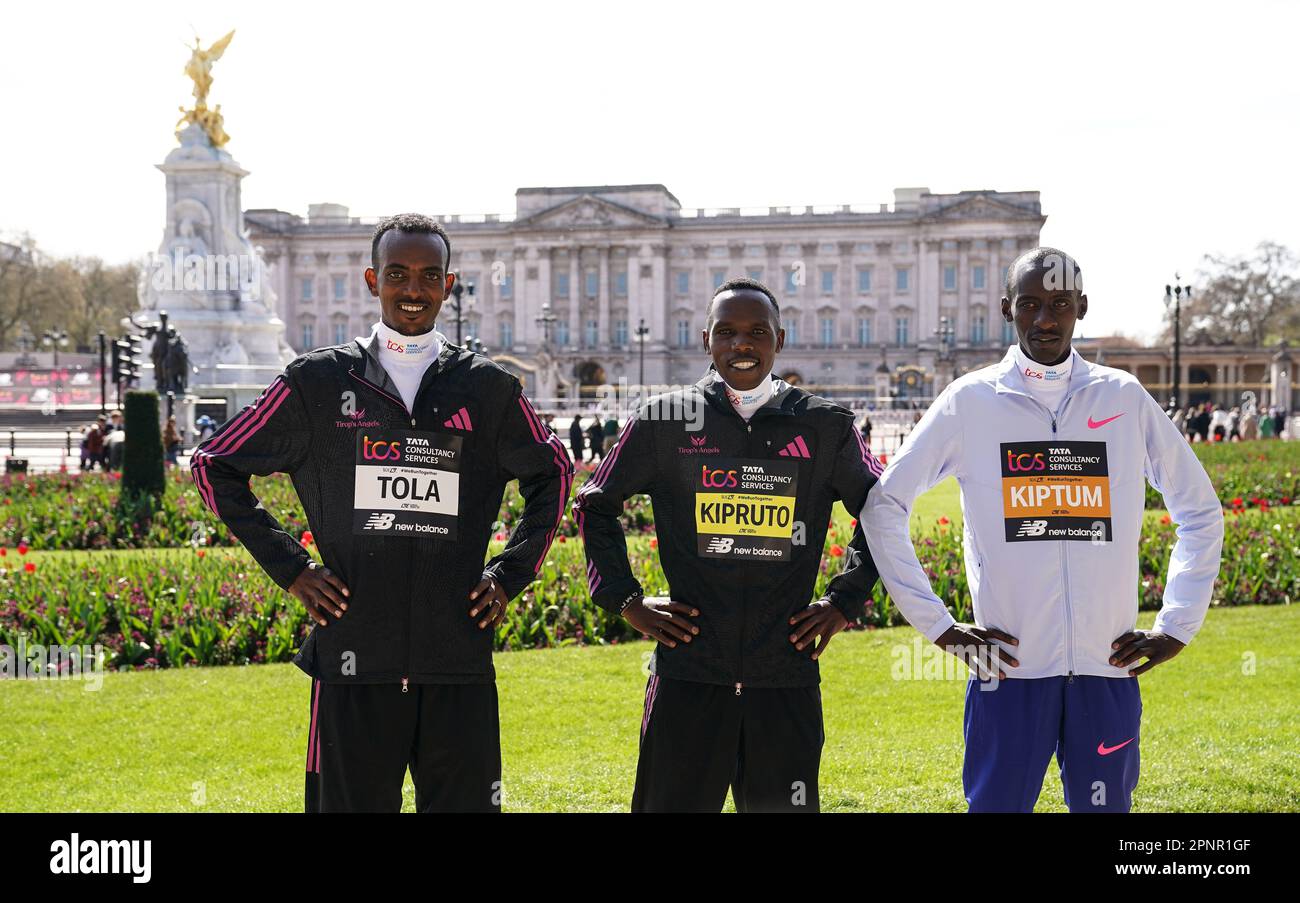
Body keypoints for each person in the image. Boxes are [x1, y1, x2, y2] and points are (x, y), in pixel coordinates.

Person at [192, 213, 572, 812]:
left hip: (456, 664)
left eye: (429, 276)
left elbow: (555, 473)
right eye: (398, 274)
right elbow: (213, 462)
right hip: (352, 665)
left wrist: (508, 576)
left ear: (450, 286)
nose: (413, 290)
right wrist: (292, 569)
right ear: (373, 281)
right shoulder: (317, 381)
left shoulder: (488, 390)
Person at [863, 247, 1224, 813]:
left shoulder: (1123, 397)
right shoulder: (970, 400)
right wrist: (939, 627)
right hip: (1009, 671)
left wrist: (1177, 626)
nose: (1045, 320)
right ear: (1008, 308)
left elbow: (1200, 510)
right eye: (1030, 304)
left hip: (1106, 669)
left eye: (1059, 304)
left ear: (1082, 306)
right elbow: (883, 507)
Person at [574, 277, 883, 812]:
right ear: (706, 339)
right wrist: (625, 601)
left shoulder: (823, 426)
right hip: (688, 673)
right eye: (728, 332)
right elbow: (595, 504)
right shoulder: (663, 420)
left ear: (779, 340)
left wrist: (843, 601)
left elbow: (883, 511)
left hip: (784, 675)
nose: (742, 345)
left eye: (757, 332)